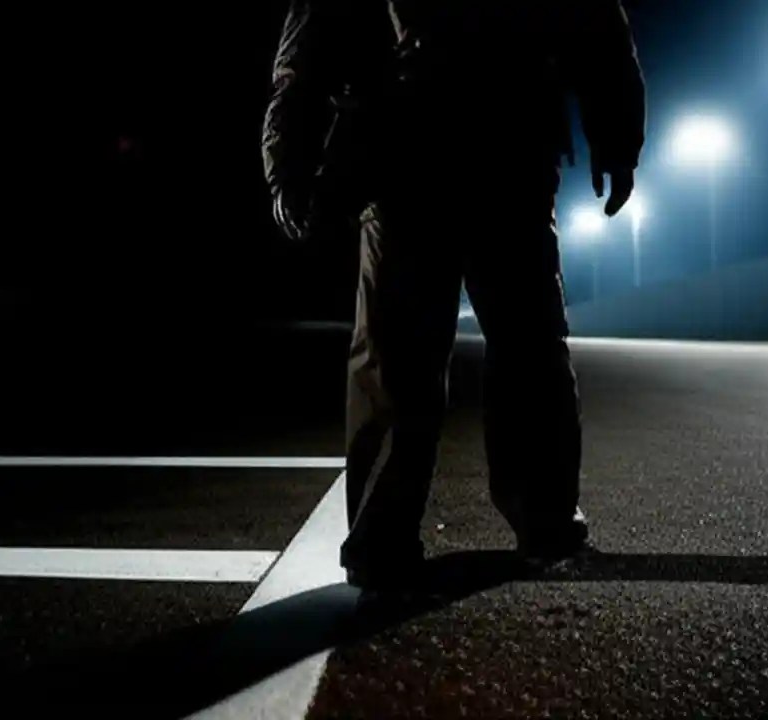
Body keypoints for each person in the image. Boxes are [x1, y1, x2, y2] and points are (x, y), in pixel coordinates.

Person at [263, 0, 646, 590]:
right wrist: (287, 159)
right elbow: (310, 39)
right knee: (437, 351)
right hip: (420, 149)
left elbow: (593, 20)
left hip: (484, 144)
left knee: (513, 345)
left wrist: (617, 133)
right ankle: (394, 532)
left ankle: (520, 517)